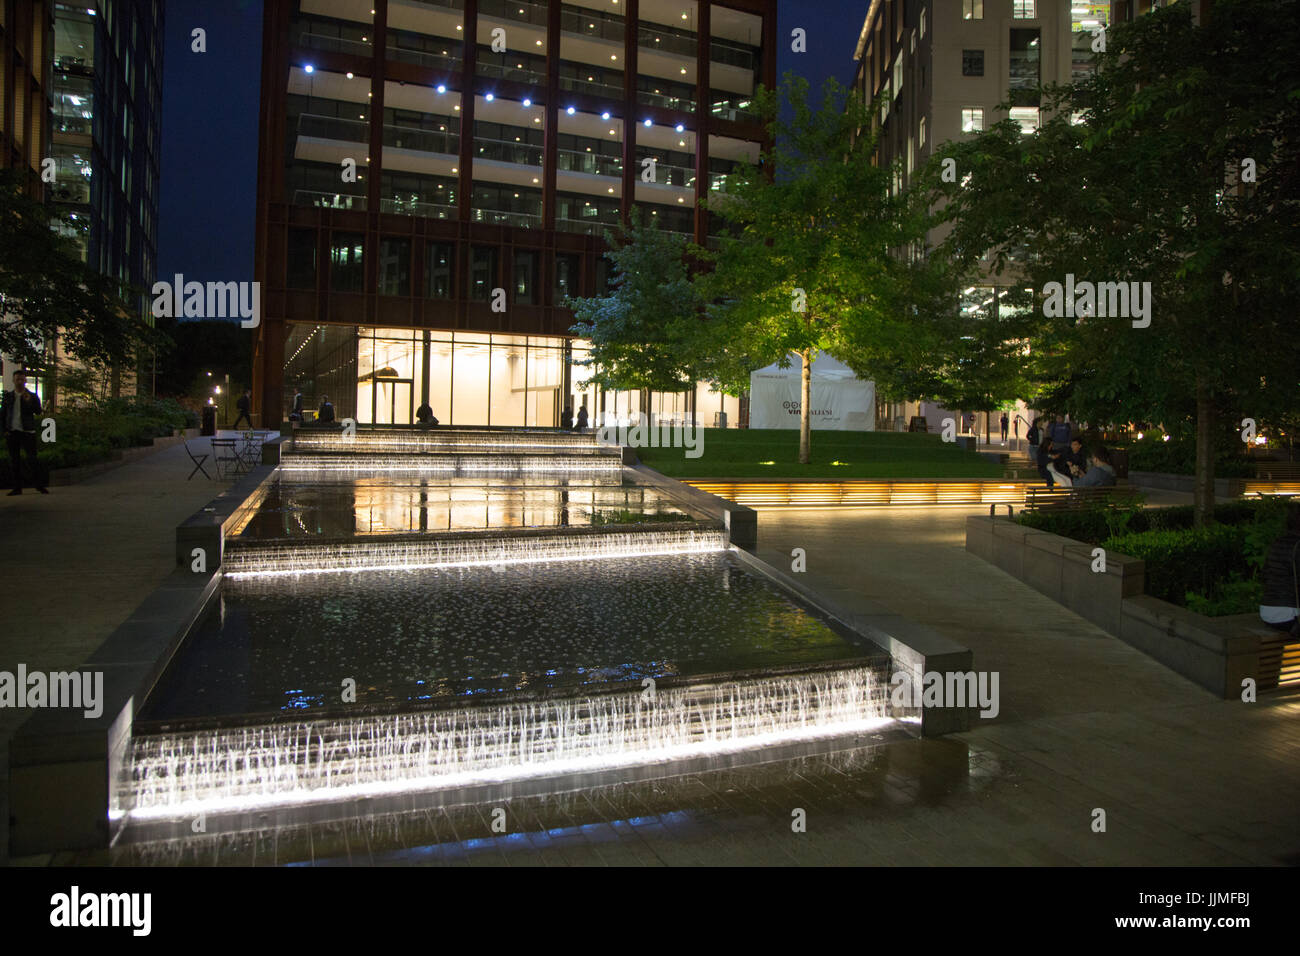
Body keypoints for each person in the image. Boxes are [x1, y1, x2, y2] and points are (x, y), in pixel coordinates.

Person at [3, 371, 48, 495]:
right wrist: (5, 430)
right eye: (17, 379)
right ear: (13, 380)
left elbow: (38, 411)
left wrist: (29, 402)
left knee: (32, 459)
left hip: (28, 431)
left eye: (22, 380)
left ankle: (39, 485)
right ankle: (17, 487)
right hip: (12, 432)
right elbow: (3, 414)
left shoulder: (32, 396)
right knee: (14, 460)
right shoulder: (8, 397)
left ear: (25, 381)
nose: (20, 382)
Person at [1259, 504, 1300, 635]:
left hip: (1267, 610)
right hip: (1290, 614)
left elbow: (1265, 575)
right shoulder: (1297, 546)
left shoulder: (1278, 542)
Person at [1050, 446, 1117, 488]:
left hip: (1088, 503)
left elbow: (1077, 487)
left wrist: (1074, 475)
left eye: (1092, 458)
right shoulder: (1112, 472)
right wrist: (1082, 475)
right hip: (1101, 500)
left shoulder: (1096, 471)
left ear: (1096, 459)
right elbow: (1093, 482)